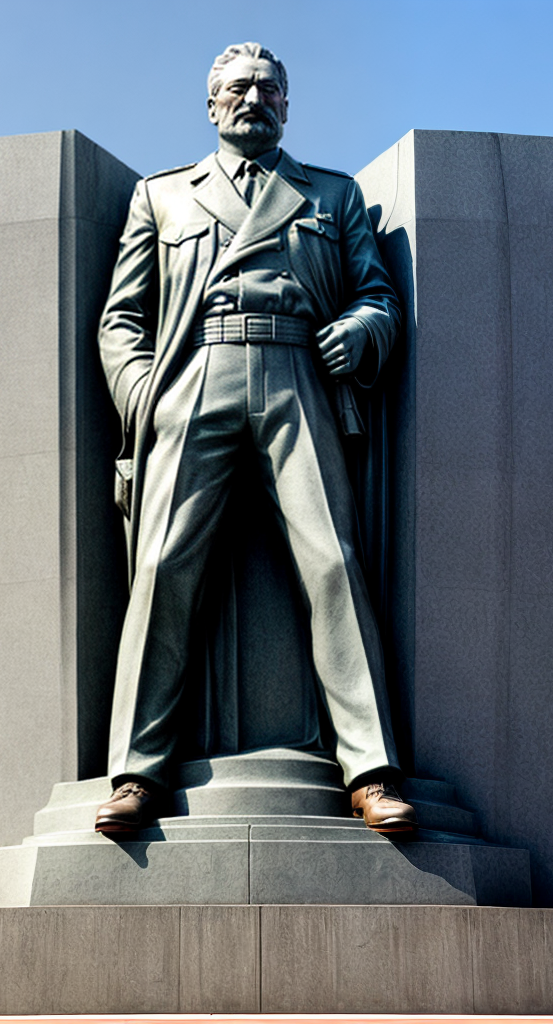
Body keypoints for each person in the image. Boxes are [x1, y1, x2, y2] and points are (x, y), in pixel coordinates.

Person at [95, 42, 417, 835]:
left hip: (294, 373)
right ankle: (136, 772)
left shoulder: (333, 196)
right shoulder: (161, 197)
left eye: (269, 90)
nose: (253, 99)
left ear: (287, 106)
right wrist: (145, 399)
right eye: (237, 89)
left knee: (332, 563)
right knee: (164, 567)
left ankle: (370, 771)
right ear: (211, 106)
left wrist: (362, 330)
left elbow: (379, 296)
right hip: (194, 378)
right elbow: (120, 320)